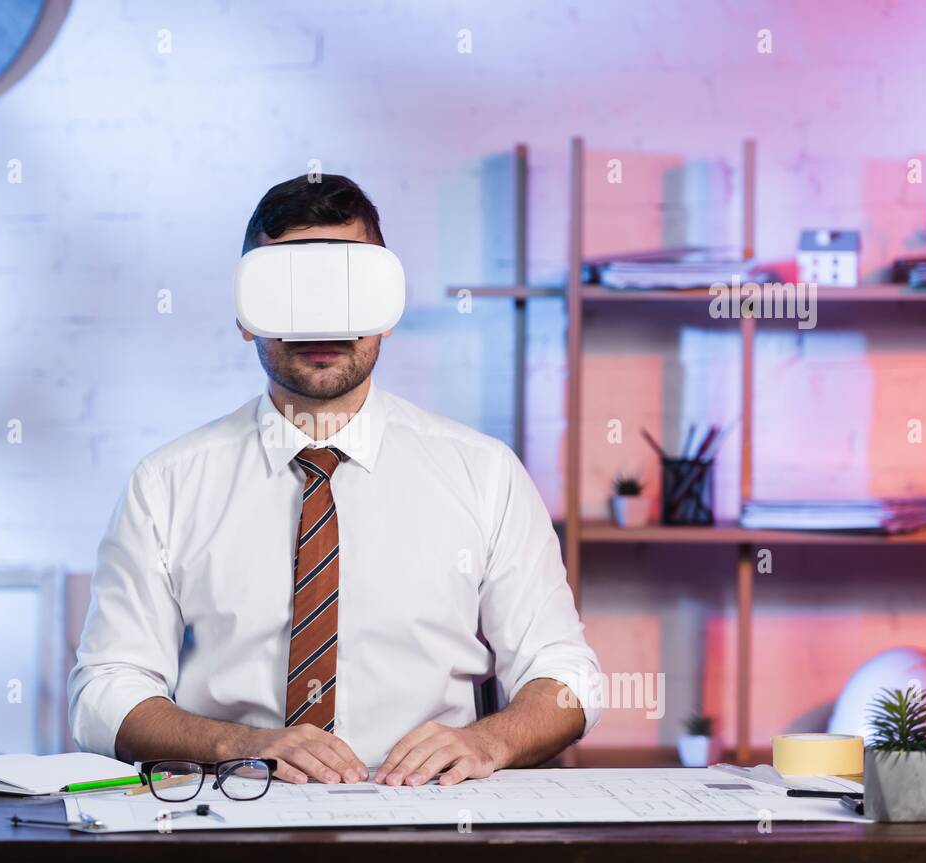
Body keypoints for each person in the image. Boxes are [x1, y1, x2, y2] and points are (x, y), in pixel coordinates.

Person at [69, 174, 602, 787]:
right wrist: (237, 743)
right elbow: (103, 692)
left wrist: (488, 741)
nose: (322, 325)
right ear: (245, 317)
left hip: (426, 819)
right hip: (231, 811)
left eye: (347, 291)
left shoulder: (483, 474)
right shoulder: (166, 484)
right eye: (292, 294)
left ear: (386, 312)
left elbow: (567, 673)